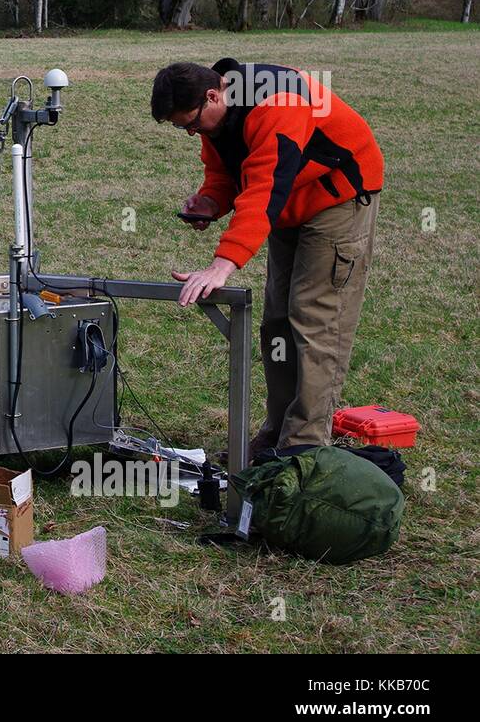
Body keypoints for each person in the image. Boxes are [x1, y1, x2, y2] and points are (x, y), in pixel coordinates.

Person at [150, 60, 384, 457]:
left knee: (314, 320)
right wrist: (211, 201)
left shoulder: (277, 103)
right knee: (277, 323)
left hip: (337, 199)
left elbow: (264, 189)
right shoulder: (218, 113)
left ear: (212, 95)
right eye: (182, 128)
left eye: (190, 123)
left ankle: (303, 448)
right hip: (289, 206)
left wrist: (223, 264)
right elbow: (226, 172)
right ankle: (276, 432)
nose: (191, 132)